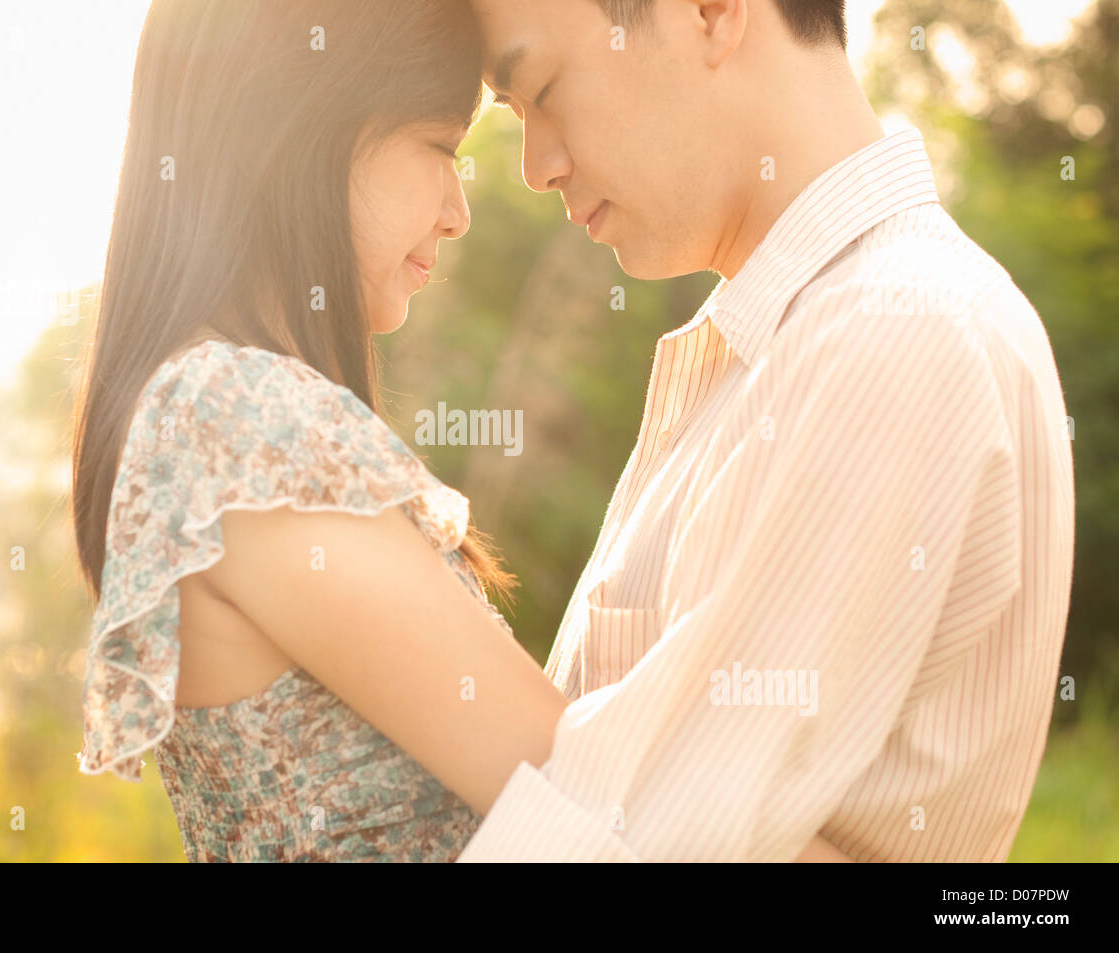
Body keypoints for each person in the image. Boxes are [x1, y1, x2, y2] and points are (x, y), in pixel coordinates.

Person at [72, 0, 849, 863]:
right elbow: (605, 805)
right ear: (300, 126)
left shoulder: (204, 407)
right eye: (441, 146)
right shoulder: (232, 417)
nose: (458, 211)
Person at [455, 0, 1074, 861]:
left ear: (710, 13)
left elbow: (645, 843)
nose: (534, 166)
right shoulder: (781, 343)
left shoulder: (887, 331)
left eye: (545, 91)